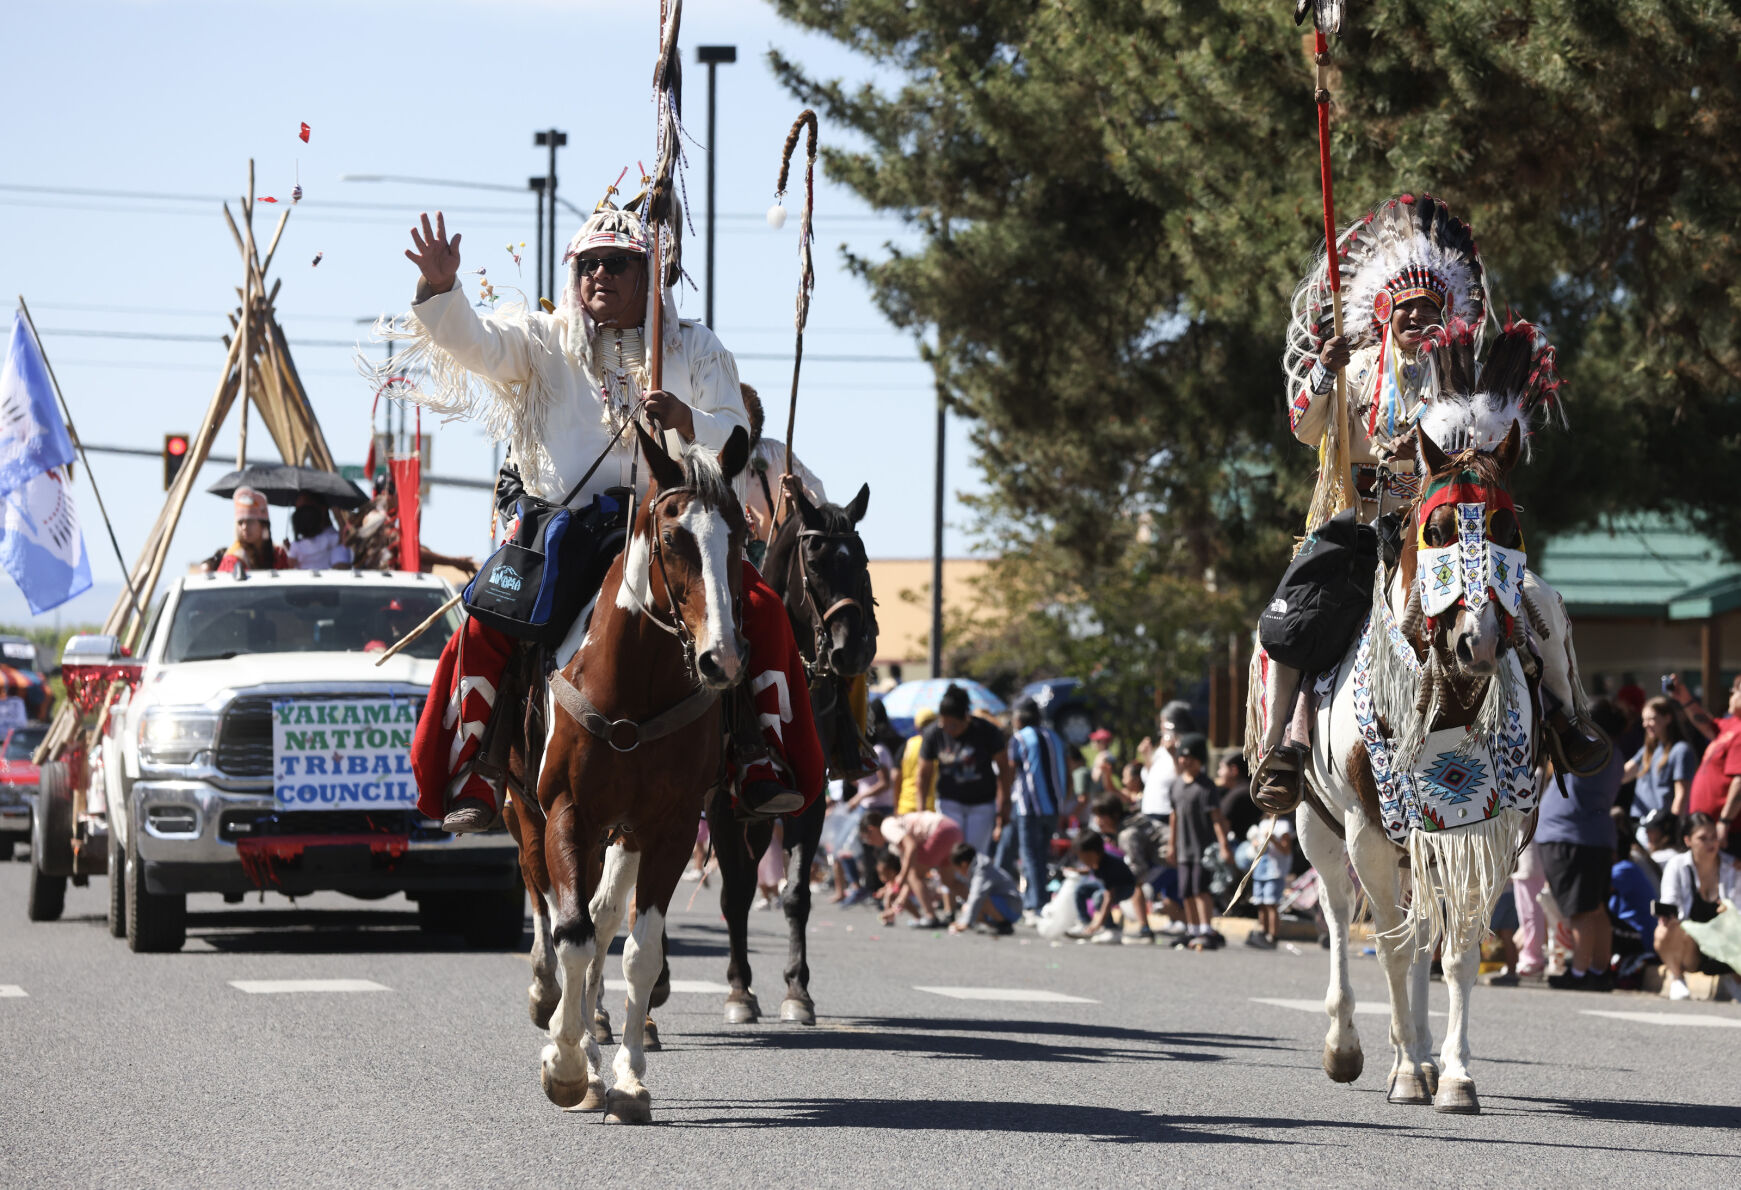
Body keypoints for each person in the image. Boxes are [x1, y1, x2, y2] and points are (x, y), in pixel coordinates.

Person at [392, 202, 823, 829]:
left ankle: (759, 757)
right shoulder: (543, 340)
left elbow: (732, 437)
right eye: (589, 263)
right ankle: (477, 769)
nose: (601, 274)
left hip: (668, 528)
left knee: (761, 611)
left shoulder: (697, 348)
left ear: (647, 274)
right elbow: (474, 344)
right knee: (485, 622)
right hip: (560, 527)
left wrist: (685, 420)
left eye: (617, 263)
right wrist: (441, 286)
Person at [1255, 193, 1604, 813]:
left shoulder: (1459, 377)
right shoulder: (1356, 369)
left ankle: (1568, 720)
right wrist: (1324, 373)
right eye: (1409, 310)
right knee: (1288, 620)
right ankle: (1284, 745)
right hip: (1359, 527)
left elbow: (1482, 457)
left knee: (1539, 599)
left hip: (1444, 532)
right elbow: (1306, 429)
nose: (1420, 320)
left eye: (1431, 310)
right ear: (1385, 312)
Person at [1538, 699, 1626, 990]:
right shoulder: (1611, 752)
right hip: (1593, 837)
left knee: (1581, 911)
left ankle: (1579, 973)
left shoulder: (1589, 747)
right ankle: (1599, 972)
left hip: (1571, 838)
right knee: (1596, 909)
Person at [1654, 813, 1741, 1001]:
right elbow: (1670, 901)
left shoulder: (1732, 867)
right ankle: (1677, 978)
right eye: (1703, 838)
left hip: (1727, 942)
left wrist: (1730, 911)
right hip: (1691, 946)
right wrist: (1666, 916)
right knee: (1662, 932)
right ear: (1688, 840)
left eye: (1714, 837)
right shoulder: (1677, 865)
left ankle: (1731, 977)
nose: (1711, 843)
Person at [996, 698, 1068, 920]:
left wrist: (1004, 802)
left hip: (1029, 806)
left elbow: (1010, 771)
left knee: (1029, 856)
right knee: (1039, 854)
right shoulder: (1053, 736)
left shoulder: (1020, 738)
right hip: (1053, 805)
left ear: (1018, 718)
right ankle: (1030, 899)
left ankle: (1034, 904)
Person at [916, 685, 1010, 854]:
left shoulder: (986, 731)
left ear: (966, 717)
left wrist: (1004, 804)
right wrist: (920, 811)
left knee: (974, 854)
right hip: (949, 801)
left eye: (953, 726)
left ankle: (973, 881)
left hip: (982, 803)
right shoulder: (934, 734)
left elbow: (1004, 768)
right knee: (950, 852)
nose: (948, 731)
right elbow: (923, 774)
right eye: (943, 725)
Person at [1166, 732, 1232, 950]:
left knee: (1200, 889)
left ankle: (1206, 928)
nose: (1185, 761)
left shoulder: (1206, 786)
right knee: (1185, 890)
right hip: (1183, 847)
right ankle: (1192, 929)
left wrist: (1223, 845)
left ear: (1199, 761)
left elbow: (1216, 818)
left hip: (1202, 849)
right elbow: (1174, 815)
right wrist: (1171, 844)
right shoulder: (1176, 785)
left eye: (1190, 758)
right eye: (1182, 757)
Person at [861, 808, 963, 929]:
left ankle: (930, 917)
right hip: (953, 829)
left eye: (867, 839)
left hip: (940, 830)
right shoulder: (894, 843)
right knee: (949, 881)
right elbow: (908, 878)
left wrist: (902, 877)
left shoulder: (886, 826)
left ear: (871, 829)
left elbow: (911, 847)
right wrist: (898, 898)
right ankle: (980, 914)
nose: (870, 843)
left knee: (914, 875)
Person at [1090, 794, 1164, 943]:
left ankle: (1144, 930)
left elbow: (1138, 869)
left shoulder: (1126, 834)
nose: (1097, 821)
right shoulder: (1123, 827)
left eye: (1101, 816)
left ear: (1114, 815)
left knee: (1132, 883)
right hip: (1159, 862)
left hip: (1163, 862)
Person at [1623, 695, 1697, 821]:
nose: (1645, 725)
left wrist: (1673, 826)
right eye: (1643, 720)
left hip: (1662, 824)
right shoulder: (1648, 750)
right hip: (1641, 820)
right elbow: (1622, 774)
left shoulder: (1680, 750)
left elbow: (1682, 794)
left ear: (1668, 718)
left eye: (1651, 719)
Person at [1686, 704, 1741, 859]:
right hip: (1710, 829)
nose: (1731, 695)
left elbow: (1740, 781)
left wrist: (1725, 821)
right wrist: (1683, 697)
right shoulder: (1730, 725)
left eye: (1735, 691)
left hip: (1729, 832)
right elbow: (1706, 724)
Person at [1070, 830, 1140, 945]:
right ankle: (1084, 923)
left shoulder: (1110, 866)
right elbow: (1092, 870)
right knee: (1080, 889)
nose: (1082, 860)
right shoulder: (1095, 861)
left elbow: (1109, 897)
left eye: (1083, 857)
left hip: (1125, 887)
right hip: (1105, 886)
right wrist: (1077, 871)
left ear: (1094, 853)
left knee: (1099, 898)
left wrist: (1098, 924)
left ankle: (1112, 930)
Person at [1137, 701, 1194, 825]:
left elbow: (1186, 779)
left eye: (1164, 722)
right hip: (1150, 809)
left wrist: (1174, 755)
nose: (1161, 726)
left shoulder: (1187, 746)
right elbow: (1148, 778)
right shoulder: (1163, 747)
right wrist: (1147, 756)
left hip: (1168, 814)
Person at [209, 487, 291, 573]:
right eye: (240, 523)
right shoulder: (232, 559)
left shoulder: (278, 554)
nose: (244, 527)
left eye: (250, 521)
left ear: (263, 525)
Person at [1244, 816, 1295, 950]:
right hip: (1260, 869)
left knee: (1271, 904)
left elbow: (1286, 849)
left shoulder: (1283, 825)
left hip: (1275, 871)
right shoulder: (1262, 823)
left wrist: (1272, 839)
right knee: (1260, 903)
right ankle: (1263, 932)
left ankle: (1273, 936)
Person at [948, 842, 1020, 936]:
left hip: (1012, 906)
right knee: (967, 907)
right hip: (1004, 904)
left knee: (978, 899)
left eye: (957, 869)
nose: (959, 873)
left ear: (964, 864)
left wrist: (965, 922)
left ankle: (1003, 924)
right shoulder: (979, 866)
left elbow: (977, 896)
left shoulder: (981, 870)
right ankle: (993, 925)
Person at [285, 493, 353, 570]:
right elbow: (343, 536)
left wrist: (290, 550)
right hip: (324, 579)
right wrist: (338, 516)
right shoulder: (326, 539)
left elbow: (291, 564)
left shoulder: (295, 545)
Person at [895, 708, 938, 814]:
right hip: (931, 809)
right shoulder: (940, 746)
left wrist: (896, 806)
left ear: (916, 726)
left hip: (906, 806)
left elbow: (895, 776)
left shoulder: (907, 745)